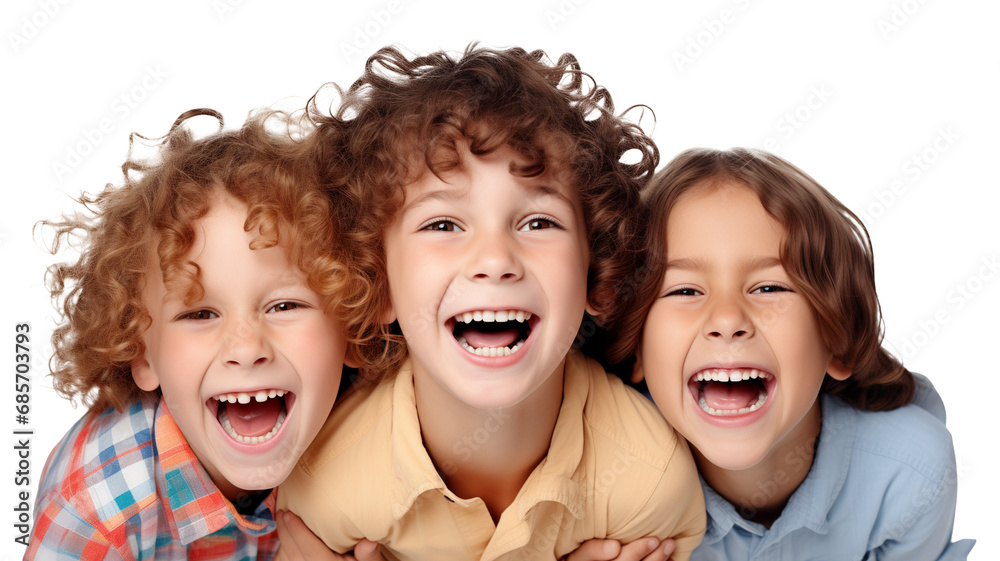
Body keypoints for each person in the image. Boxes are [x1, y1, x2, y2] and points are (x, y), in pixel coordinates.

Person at [277, 45, 705, 560]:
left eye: (539, 223)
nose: (496, 259)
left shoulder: (648, 483)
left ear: (595, 274)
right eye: (443, 225)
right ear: (379, 282)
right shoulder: (326, 492)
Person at [26, 109, 374, 560]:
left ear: (351, 324)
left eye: (285, 306)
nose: (247, 349)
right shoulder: (96, 506)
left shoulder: (382, 436)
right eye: (200, 314)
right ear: (142, 355)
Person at [614, 147, 975, 559]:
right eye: (685, 290)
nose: (728, 319)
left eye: (769, 288)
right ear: (636, 347)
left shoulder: (907, 471)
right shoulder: (604, 480)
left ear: (837, 341)